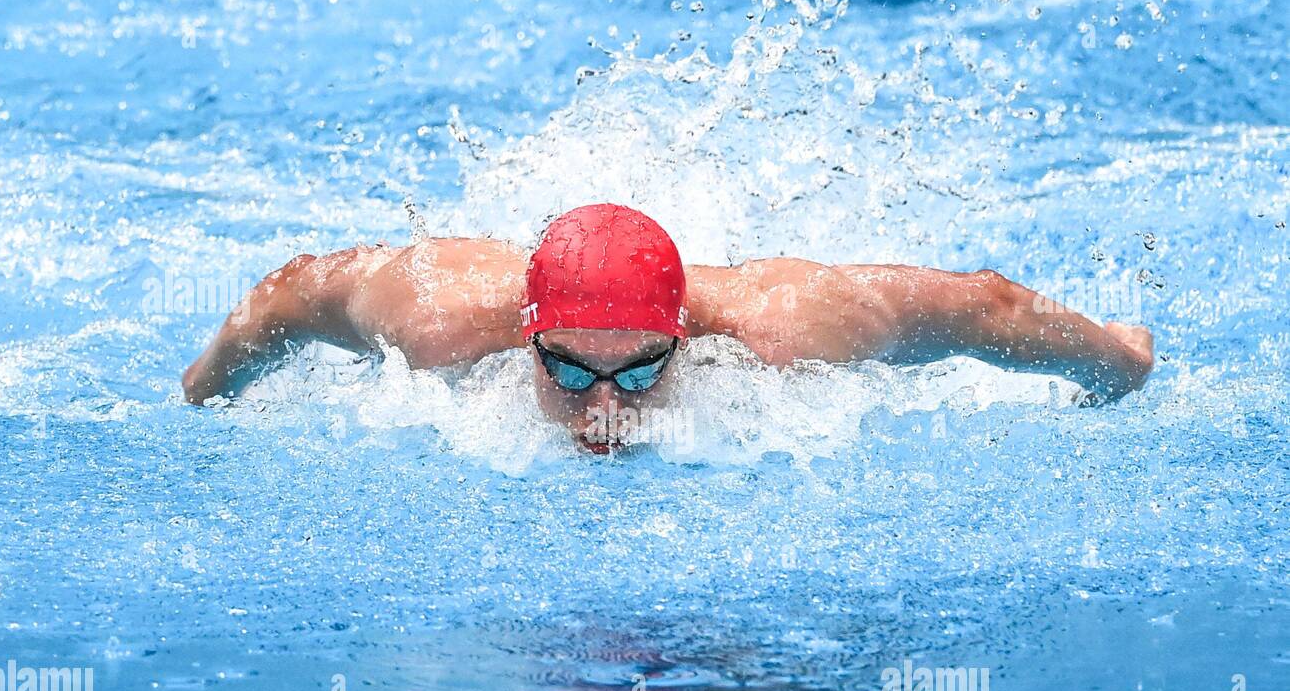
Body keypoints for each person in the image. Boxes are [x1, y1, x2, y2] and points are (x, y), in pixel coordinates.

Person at [182, 203, 1154, 451]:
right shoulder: (434, 313)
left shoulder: (787, 325)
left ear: (685, 337)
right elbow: (287, 295)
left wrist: (1115, 361)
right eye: (567, 373)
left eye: (641, 376)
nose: (603, 412)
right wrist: (204, 392)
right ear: (524, 338)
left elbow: (977, 304)